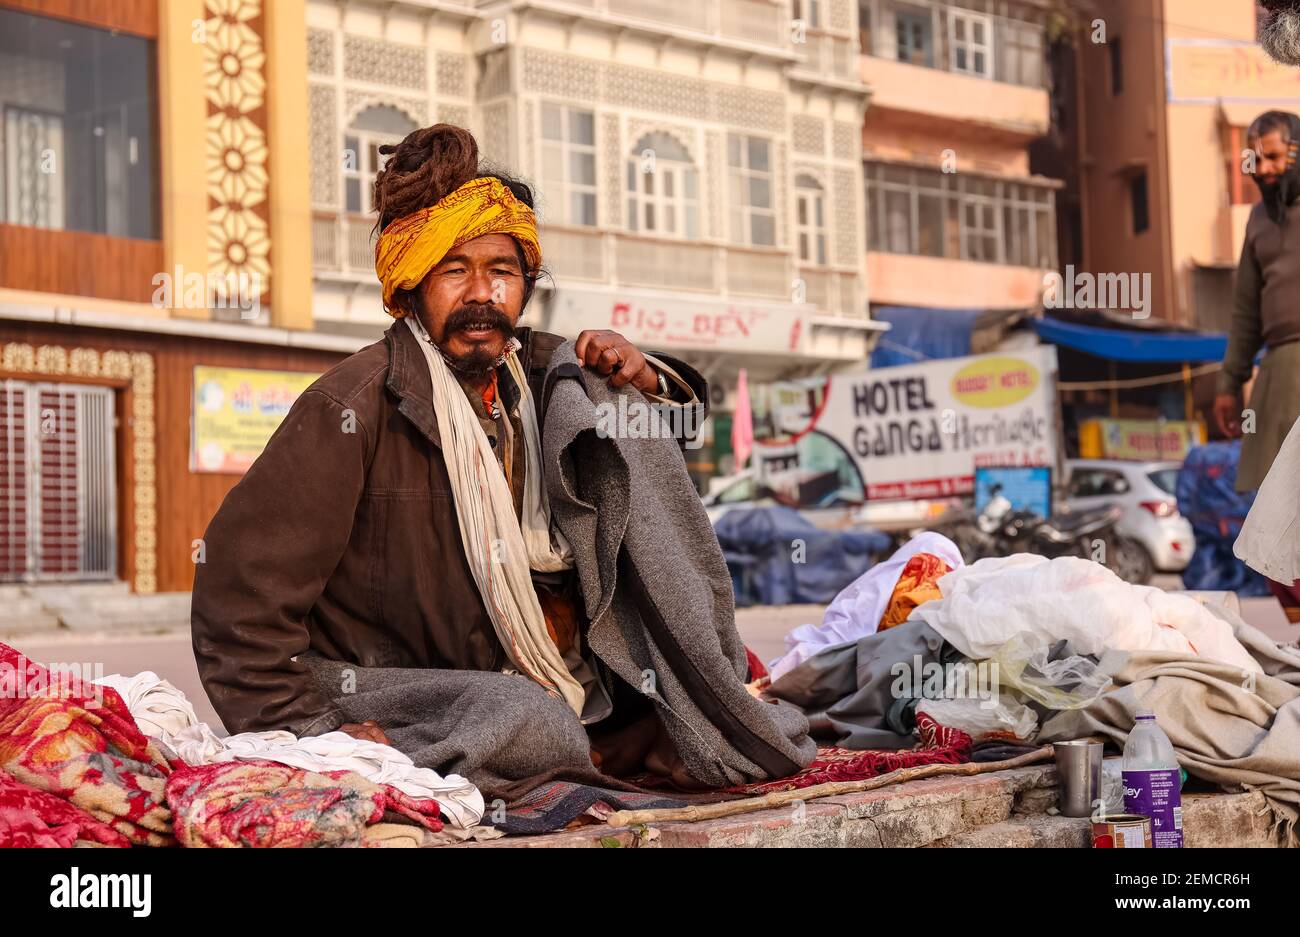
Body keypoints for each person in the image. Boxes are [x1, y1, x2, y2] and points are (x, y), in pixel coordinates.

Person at [190, 124, 711, 795]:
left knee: (712, 708)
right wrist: (309, 728)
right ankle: (566, 750)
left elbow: (674, 460)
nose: (481, 296)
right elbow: (238, 602)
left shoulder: (556, 377)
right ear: (411, 286)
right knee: (528, 718)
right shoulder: (351, 406)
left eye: (501, 272)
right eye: (454, 271)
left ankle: (590, 744)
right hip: (387, 686)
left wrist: (643, 380)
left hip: (541, 673)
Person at [1213, 110, 1300, 492]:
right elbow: (1246, 310)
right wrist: (1229, 383)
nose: (1262, 168)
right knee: (1278, 497)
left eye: (1274, 157)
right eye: (1254, 158)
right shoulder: (1257, 219)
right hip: (1279, 369)